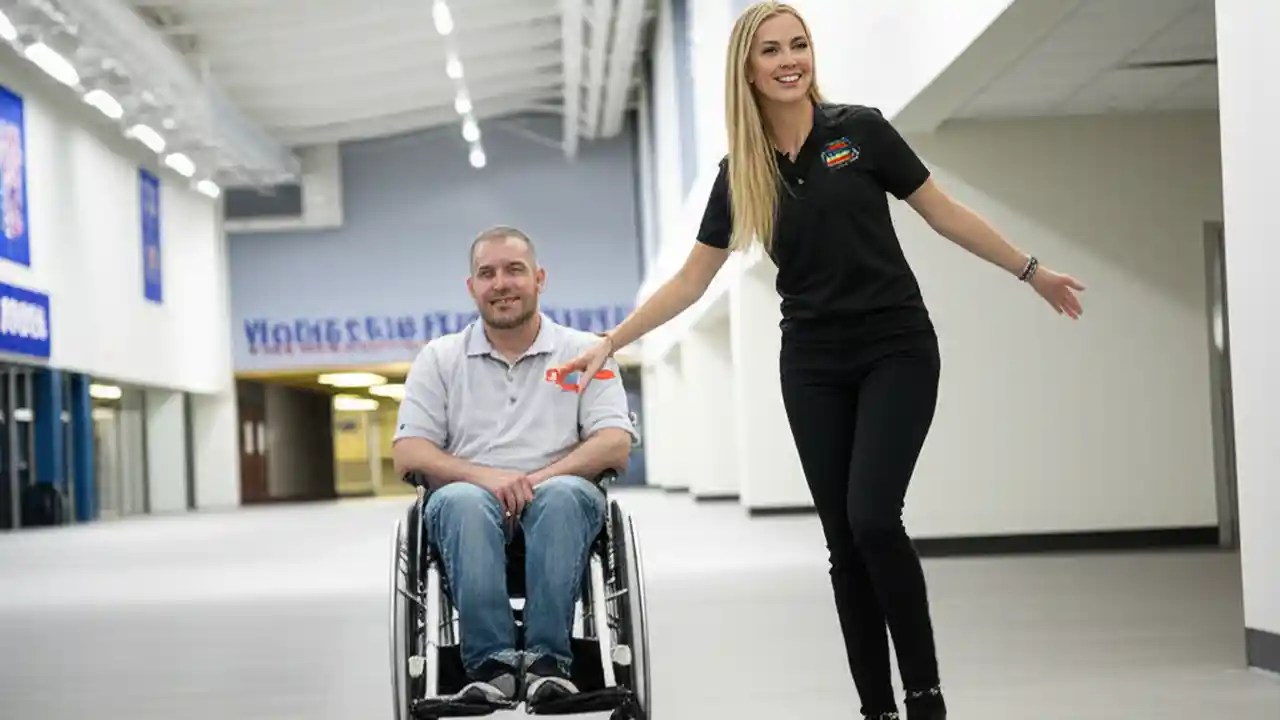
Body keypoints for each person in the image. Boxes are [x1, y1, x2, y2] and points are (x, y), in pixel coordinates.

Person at [558, 3, 1085, 719]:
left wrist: (1031, 270)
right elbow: (690, 282)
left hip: (896, 345)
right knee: (842, 541)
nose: (788, 60)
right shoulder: (740, 173)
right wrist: (611, 341)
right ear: (746, 67)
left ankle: (923, 693)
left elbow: (945, 211)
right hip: (810, 362)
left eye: (798, 45)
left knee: (873, 516)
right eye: (771, 50)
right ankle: (876, 708)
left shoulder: (858, 131)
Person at [392, 226, 638, 708]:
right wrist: (489, 480)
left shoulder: (585, 350)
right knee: (462, 500)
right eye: (487, 273)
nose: (501, 283)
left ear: (539, 279)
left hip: (563, 507)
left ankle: (550, 665)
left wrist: (536, 481)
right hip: (467, 512)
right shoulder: (439, 359)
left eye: (514, 270)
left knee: (563, 494)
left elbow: (613, 443)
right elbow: (409, 453)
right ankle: (491, 667)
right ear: (471, 287)